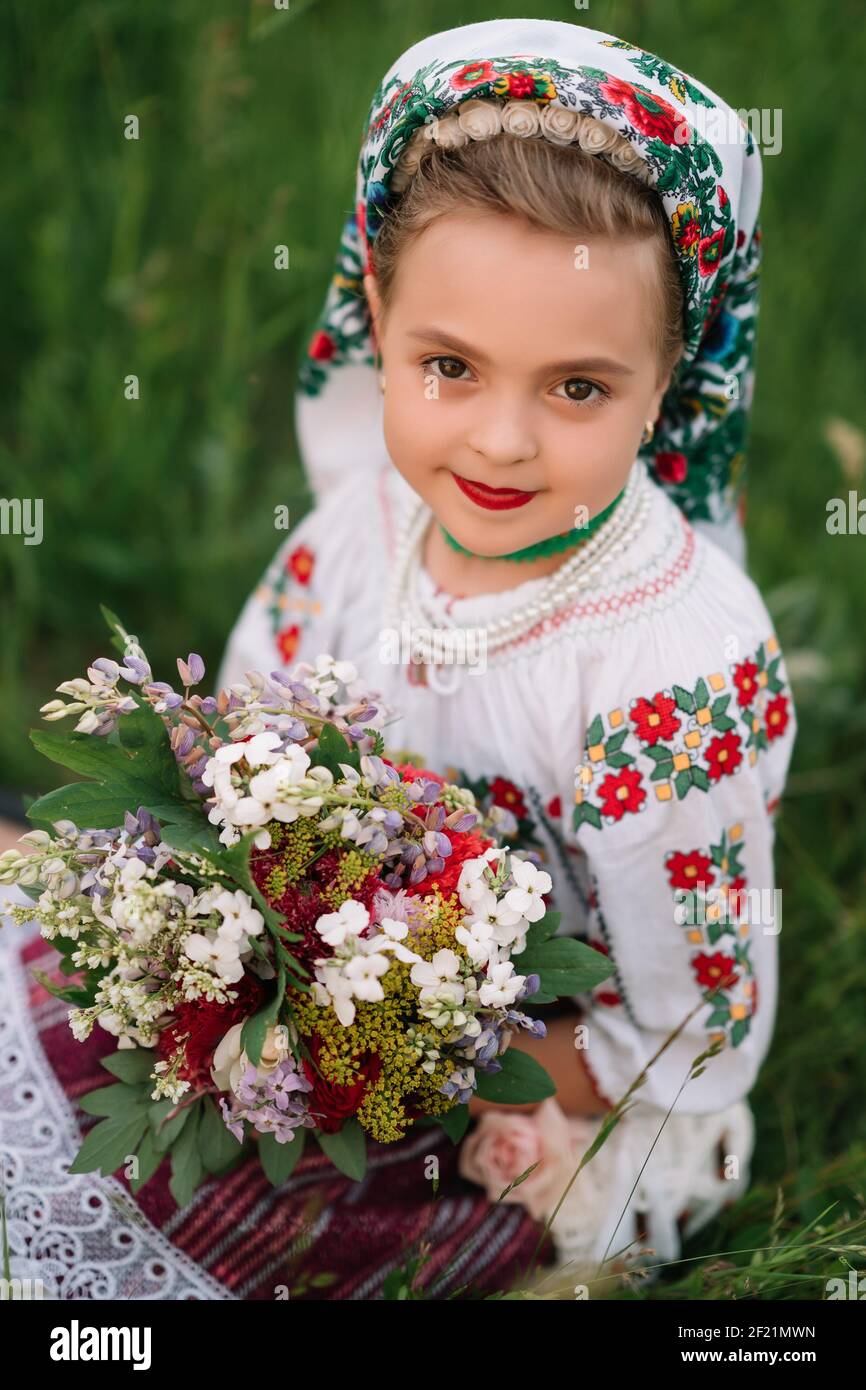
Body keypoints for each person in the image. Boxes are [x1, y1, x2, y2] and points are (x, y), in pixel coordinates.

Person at [215, 18, 797, 1281]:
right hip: (329, 981)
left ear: (665, 381)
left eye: (576, 387)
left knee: (382, 1244)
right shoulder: (363, 526)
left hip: (563, 1078)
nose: (498, 443)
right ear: (376, 313)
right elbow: (246, 733)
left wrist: (386, 1049)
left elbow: (681, 1029)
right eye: (448, 367)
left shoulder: (667, 681)